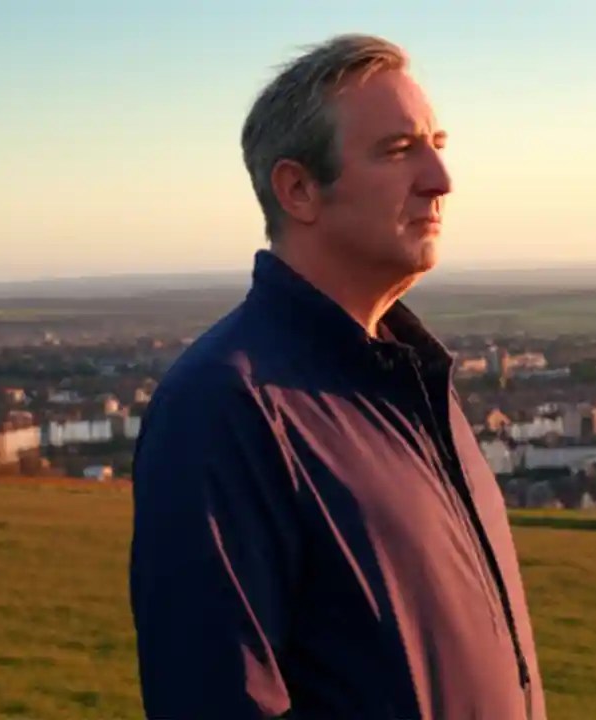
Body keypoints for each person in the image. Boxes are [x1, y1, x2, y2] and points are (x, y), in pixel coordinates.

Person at [129, 34, 545, 719]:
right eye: (398, 150)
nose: (441, 179)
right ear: (298, 189)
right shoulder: (227, 408)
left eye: (438, 143)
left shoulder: (413, 383)